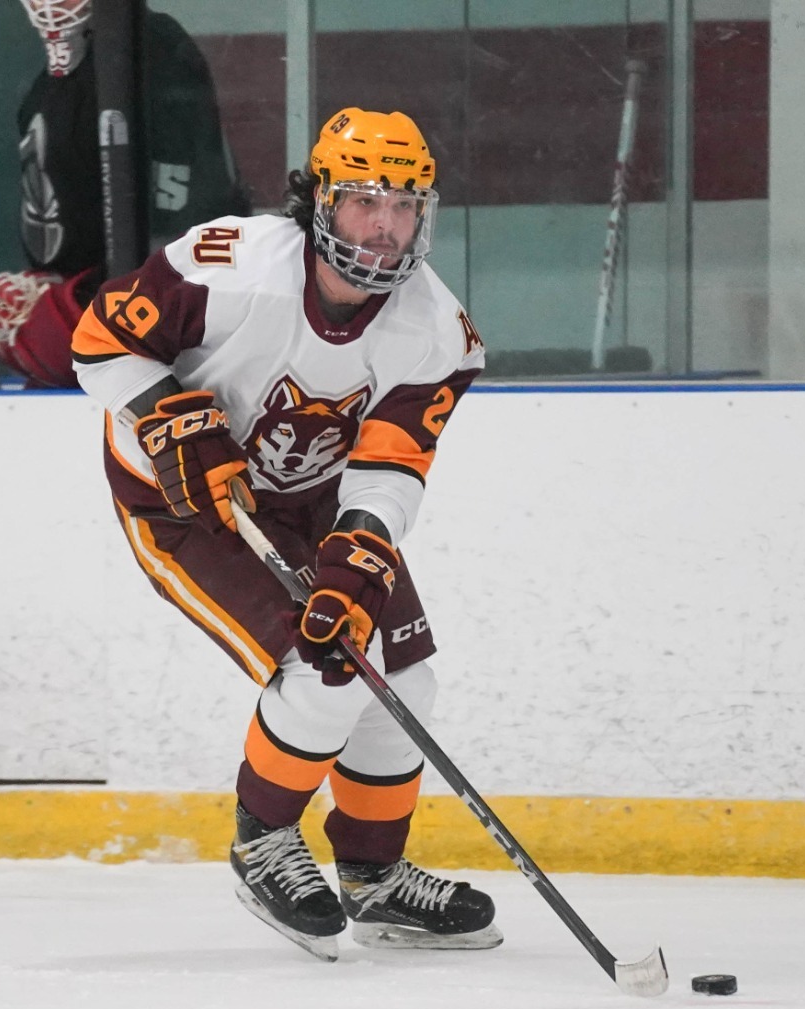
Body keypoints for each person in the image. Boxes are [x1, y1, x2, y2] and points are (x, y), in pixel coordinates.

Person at [71, 109, 496, 959]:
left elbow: (390, 468)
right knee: (322, 668)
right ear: (321, 202)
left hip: (314, 505)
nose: (385, 224)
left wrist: (359, 556)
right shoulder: (227, 267)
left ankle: (374, 877)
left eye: (404, 205)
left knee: (405, 679)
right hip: (184, 502)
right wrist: (164, 412)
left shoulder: (437, 334)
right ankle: (263, 842)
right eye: (365, 201)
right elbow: (99, 340)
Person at [0, 0, 247, 388]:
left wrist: (72, 310)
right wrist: (41, 295)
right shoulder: (44, 85)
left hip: (151, 345)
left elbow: (180, 233)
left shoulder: (150, 51)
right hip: (102, 335)